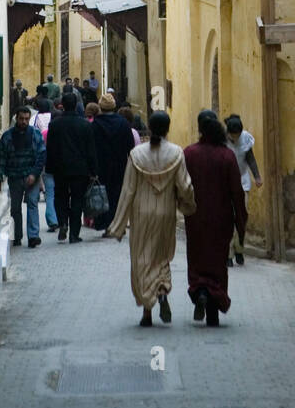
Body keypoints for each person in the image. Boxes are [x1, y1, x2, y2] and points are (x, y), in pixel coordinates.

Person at [109, 111, 196, 328]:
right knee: (161, 257)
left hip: (141, 214)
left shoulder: (136, 154)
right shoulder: (176, 153)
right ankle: (162, 289)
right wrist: (188, 205)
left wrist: (118, 225)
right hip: (166, 212)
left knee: (142, 260)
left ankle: (147, 310)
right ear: (168, 128)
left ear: (149, 127)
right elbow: (185, 185)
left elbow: (128, 190)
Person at [183, 111, 246, 326]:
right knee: (218, 262)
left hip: (195, 217)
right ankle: (213, 308)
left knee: (198, 257)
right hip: (221, 218)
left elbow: (182, 186)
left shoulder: (189, 154)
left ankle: (200, 289)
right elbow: (236, 192)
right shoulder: (227, 156)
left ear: (200, 129)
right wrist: (241, 221)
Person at [44, 91, 98, 244]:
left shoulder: (54, 125)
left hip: (60, 168)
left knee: (60, 197)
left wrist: (50, 168)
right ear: (76, 105)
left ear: (62, 105)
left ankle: (62, 222)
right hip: (80, 169)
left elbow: (51, 148)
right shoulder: (85, 125)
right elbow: (90, 151)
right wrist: (93, 171)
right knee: (77, 200)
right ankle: (74, 234)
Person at [0, 106, 46, 248]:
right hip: (15, 177)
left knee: (32, 204)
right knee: (15, 208)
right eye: (21, 119)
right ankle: (17, 236)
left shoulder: (35, 134)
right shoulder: (8, 136)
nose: (24, 121)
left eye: (27, 119)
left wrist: (34, 174)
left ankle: (33, 236)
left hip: (31, 176)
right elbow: (1, 157)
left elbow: (41, 156)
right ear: (16, 118)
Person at [92, 94, 137, 235]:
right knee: (118, 195)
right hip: (120, 165)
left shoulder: (95, 124)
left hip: (101, 165)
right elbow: (130, 146)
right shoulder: (123, 123)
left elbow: (91, 147)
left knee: (104, 195)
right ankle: (119, 224)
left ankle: (108, 226)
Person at [224, 115, 262, 266]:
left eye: (237, 135)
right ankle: (229, 254)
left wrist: (257, 176)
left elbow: (250, 159)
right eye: (232, 136)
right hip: (225, 183)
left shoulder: (245, 138)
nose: (235, 138)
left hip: (242, 182)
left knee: (240, 217)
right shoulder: (222, 139)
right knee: (227, 219)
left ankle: (239, 250)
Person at [30, 100, 58, 232]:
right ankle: (58, 219)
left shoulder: (34, 118)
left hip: (44, 161)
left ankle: (52, 219)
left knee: (49, 193)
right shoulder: (54, 118)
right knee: (57, 192)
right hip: (58, 162)